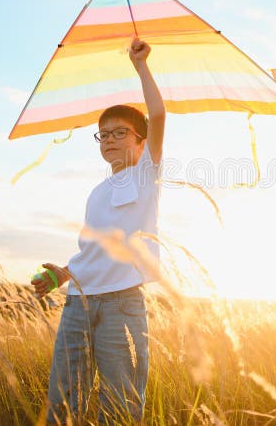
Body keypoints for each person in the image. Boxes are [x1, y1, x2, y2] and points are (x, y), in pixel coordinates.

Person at [32, 37, 165, 424]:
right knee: (63, 398)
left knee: (121, 404)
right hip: (79, 301)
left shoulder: (147, 174)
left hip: (121, 305)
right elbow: (93, 252)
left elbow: (157, 115)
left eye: (119, 132)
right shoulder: (97, 191)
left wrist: (141, 66)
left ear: (141, 143)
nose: (109, 139)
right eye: (103, 135)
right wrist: (63, 273)